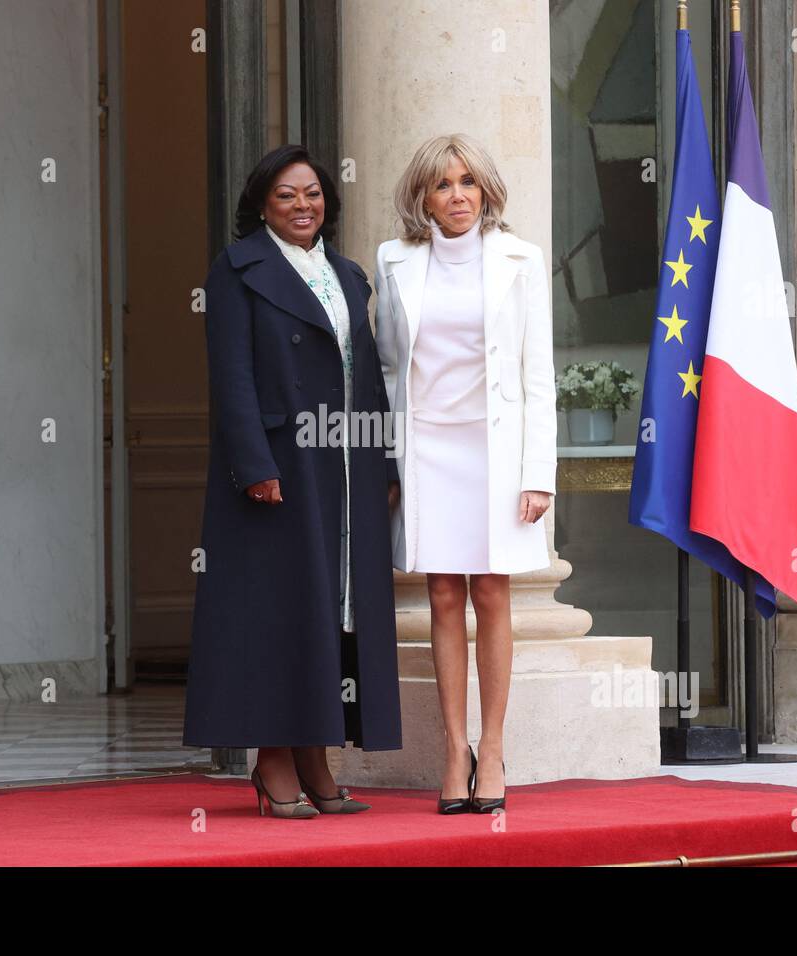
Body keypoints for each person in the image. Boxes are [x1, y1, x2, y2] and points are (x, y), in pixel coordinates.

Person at [183, 145, 403, 818]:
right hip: (279, 467)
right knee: (276, 611)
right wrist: (254, 465)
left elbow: (366, 376)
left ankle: (317, 751)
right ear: (260, 204)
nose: (303, 205)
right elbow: (232, 376)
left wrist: (384, 460)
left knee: (332, 608)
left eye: (312, 194)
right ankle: (273, 759)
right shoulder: (238, 269)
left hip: (343, 465)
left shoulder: (348, 272)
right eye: (286, 195)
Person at [374, 134, 557, 813]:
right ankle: (456, 752)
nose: (458, 195)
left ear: (486, 191)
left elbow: (538, 373)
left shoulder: (520, 259)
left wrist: (539, 472)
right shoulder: (394, 259)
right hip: (426, 449)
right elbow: (388, 367)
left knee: (493, 596)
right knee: (443, 597)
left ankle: (495, 750)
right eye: (444, 184)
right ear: (422, 196)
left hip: (497, 450)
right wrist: (386, 460)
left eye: (468, 182)